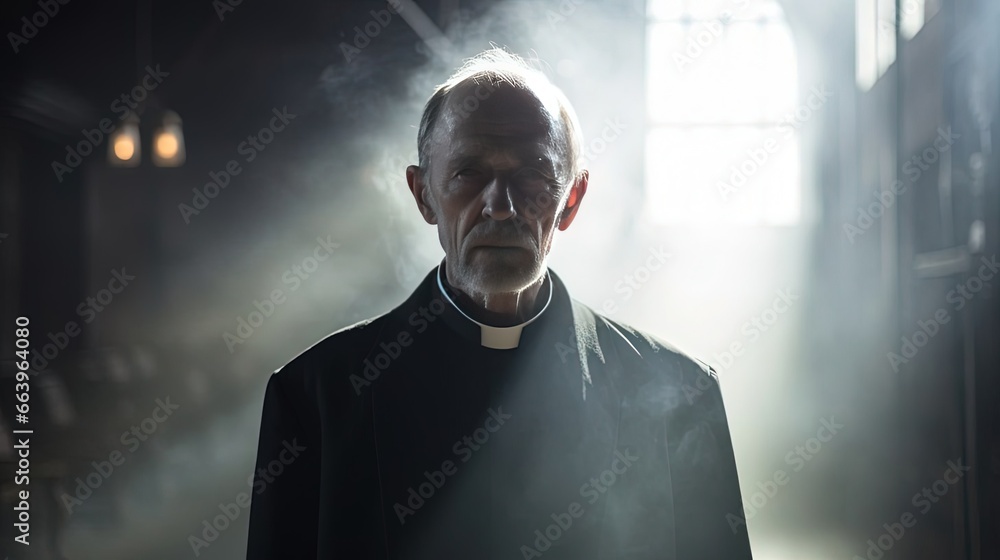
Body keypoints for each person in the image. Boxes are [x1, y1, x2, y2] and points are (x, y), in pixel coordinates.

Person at [247, 47, 754, 560]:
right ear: (423, 194)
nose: (501, 205)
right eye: (468, 172)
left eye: (532, 174)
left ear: (571, 201)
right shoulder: (317, 397)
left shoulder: (682, 396)